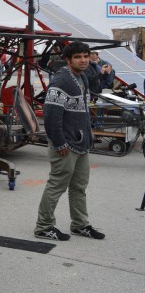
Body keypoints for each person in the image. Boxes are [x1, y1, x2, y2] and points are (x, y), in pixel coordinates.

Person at [34, 41, 105, 241]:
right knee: (56, 185)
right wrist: (59, 143)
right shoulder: (61, 80)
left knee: (79, 186)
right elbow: (50, 116)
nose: (83, 60)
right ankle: (44, 227)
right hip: (65, 144)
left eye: (85, 56)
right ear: (67, 59)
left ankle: (80, 224)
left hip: (81, 142)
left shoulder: (82, 77)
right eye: (77, 57)